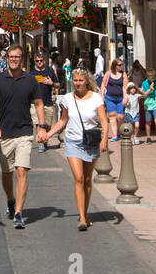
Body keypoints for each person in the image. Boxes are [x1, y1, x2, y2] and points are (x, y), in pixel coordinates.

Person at [0, 43, 44, 229]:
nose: (14, 60)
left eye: (17, 57)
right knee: (6, 173)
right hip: (4, 133)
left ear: (22, 59)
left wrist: (41, 127)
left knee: (21, 170)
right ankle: (11, 200)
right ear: (7, 59)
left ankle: (19, 212)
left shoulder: (30, 80)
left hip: (24, 132)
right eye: (11, 57)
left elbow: (38, 103)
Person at [46, 68, 109, 230]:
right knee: (79, 178)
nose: (78, 83)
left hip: (91, 142)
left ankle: (85, 213)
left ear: (86, 81)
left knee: (88, 180)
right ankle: (81, 218)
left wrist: (104, 140)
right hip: (73, 142)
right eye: (75, 80)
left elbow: (103, 121)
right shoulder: (67, 98)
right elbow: (63, 121)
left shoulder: (96, 98)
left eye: (81, 80)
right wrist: (48, 134)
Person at [31, 51, 56, 154]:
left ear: (44, 61)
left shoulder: (50, 71)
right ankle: (41, 143)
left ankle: (45, 139)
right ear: (35, 62)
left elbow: (58, 84)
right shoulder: (31, 74)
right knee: (38, 123)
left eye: (41, 61)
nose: (39, 62)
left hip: (47, 102)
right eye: (37, 61)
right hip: (35, 103)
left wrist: (52, 83)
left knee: (48, 125)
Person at [102, 57, 126, 141]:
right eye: (120, 65)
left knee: (120, 117)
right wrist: (102, 96)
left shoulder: (123, 74)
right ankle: (115, 135)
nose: (121, 66)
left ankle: (119, 132)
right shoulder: (108, 73)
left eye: (122, 65)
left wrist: (125, 97)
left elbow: (125, 87)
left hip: (120, 98)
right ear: (115, 65)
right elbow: (103, 84)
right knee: (112, 116)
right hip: (110, 98)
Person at [142, 67, 156, 143]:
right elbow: (144, 95)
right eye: (151, 78)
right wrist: (150, 88)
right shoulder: (144, 83)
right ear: (147, 77)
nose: (152, 80)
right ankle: (148, 137)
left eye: (153, 78)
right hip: (148, 105)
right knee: (148, 122)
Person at [124, 81, 144, 146]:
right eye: (131, 88)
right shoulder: (127, 96)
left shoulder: (137, 95)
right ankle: (132, 138)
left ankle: (135, 136)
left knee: (137, 126)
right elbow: (123, 104)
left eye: (134, 88)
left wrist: (141, 90)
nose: (133, 89)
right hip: (129, 113)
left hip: (136, 112)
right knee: (130, 127)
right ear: (129, 90)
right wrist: (126, 101)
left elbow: (144, 96)